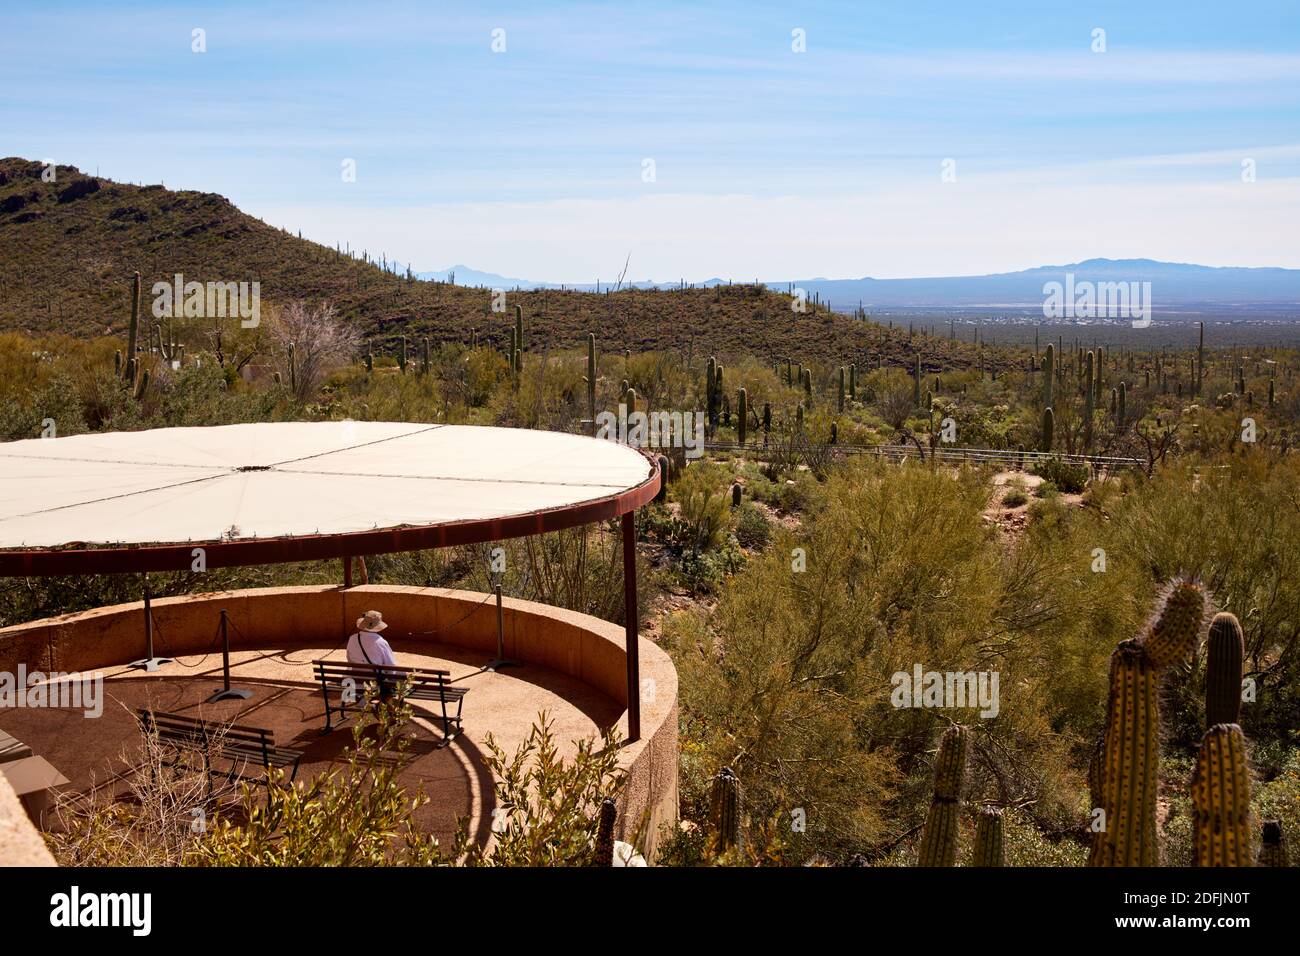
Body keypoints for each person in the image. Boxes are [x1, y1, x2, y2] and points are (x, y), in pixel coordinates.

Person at [348, 610, 399, 698]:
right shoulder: (381, 642)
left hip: (356, 679)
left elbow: (349, 659)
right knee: (401, 675)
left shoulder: (352, 639)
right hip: (375, 683)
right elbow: (391, 666)